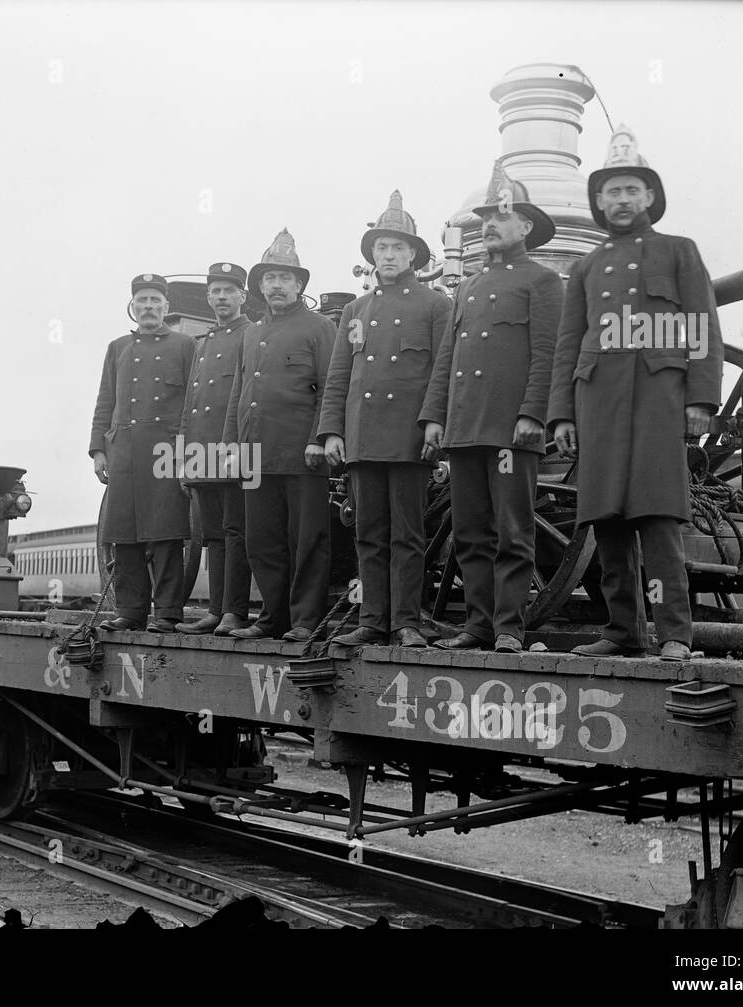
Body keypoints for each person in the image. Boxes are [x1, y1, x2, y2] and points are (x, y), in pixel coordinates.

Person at [547, 127, 724, 660]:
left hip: (657, 403)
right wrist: (562, 417)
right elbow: (567, 345)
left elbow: (703, 329)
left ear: (649, 197)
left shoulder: (679, 251)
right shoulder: (585, 267)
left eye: (631, 190)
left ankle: (674, 634)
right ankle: (623, 632)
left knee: (657, 516)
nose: (621, 200)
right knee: (607, 519)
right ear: (598, 202)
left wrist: (699, 400)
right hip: (597, 404)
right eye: (612, 192)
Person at [419, 165, 564, 653]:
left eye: (502, 216)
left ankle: (508, 629)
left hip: (509, 431)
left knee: (511, 532)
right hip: (463, 431)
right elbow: (447, 361)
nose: (490, 224)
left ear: (525, 226)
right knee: (470, 533)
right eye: (485, 217)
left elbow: (548, 355)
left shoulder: (543, 282)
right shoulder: (468, 288)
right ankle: (477, 626)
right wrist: (435, 418)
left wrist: (532, 415)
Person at [318, 190, 451, 648]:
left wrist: (434, 421)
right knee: (369, 534)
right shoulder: (356, 310)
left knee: (408, 536)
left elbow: (442, 370)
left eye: (398, 247)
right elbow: (340, 375)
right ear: (372, 254)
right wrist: (332, 430)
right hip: (362, 439)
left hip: (408, 438)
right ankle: (373, 621)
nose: (389, 255)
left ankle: (406, 623)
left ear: (413, 253)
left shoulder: (436, 305)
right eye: (381, 247)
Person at [223, 229, 334, 641]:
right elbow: (239, 392)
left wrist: (320, 438)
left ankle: (305, 620)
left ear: (300, 285)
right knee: (262, 542)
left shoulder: (319, 327)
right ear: (261, 286)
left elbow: (329, 386)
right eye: (269, 278)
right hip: (255, 454)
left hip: (303, 454)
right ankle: (273, 618)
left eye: (285, 278)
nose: (276, 285)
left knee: (307, 540)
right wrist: (232, 447)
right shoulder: (251, 333)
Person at [88, 273, 196, 633]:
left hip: (165, 451)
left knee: (165, 534)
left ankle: (167, 613)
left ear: (166, 307)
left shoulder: (185, 346)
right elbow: (106, 401)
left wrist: (185, 451)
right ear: (132, 308)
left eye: (155, 302)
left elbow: (191, 405)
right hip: (123, 454)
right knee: (124, 534)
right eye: (142, 302)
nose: (148, 308)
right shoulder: (117, 347)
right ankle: (130, 611)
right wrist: (98, 450)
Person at [176, 262, 254, 636]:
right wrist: (183, 456)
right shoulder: (202, 344)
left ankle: (235, 612)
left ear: (243, 296)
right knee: (212, 535)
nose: (221, 297)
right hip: (201, 451)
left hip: (237, 448)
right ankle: (215, 609)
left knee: (236, 529)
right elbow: (191, 403)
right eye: (215, 292)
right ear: (208, 298)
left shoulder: (252, 335)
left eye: (228, 291)